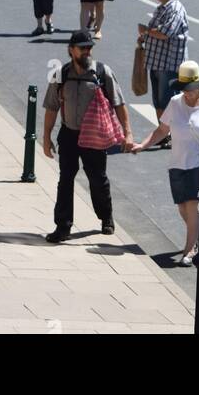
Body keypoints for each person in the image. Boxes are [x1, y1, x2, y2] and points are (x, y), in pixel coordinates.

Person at [132, 61, 199, 266]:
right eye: (185, 90)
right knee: (183, 207)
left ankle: (190, 250)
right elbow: (162, 131)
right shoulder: (175, 103)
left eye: (192, 89)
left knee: (193, 205)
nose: (188, 94)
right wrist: (143, 145)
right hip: (177, 163)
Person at [42, 29, 133, 242]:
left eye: (89, 48)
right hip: (69, 135)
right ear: (71, 50)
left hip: (95, 136)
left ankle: (106, 217)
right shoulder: (60, 74)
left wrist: (127, 132)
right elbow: (51, 107)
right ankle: (63, 226)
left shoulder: (102, 72)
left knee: (97, 179)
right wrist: (46, 137)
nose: (87, 51)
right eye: (82, 48)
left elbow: (119, 103)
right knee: (65, 178)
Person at [138, 0, 189, 129]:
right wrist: (145, 37)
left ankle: (173, 133)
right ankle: (163, 133)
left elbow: (166, 32)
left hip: (168, 64)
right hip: (156, 62)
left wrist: (146, 31)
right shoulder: (162, 8)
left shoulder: (175, 9)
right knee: (159, 101)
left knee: (168, 101)